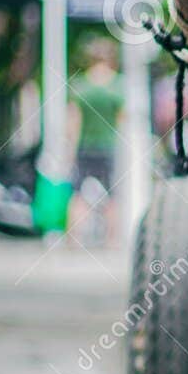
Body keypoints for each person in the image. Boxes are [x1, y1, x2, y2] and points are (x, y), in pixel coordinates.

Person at [67, 37, 124, 242]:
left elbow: (73, 123)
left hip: (84, 147)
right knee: (111, 195)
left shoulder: (81, 86)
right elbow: (121, 121)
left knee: (78, 194)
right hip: (108, 148)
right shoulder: (117, 85)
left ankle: (73, 238)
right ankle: (112, 239)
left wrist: (70, 152)